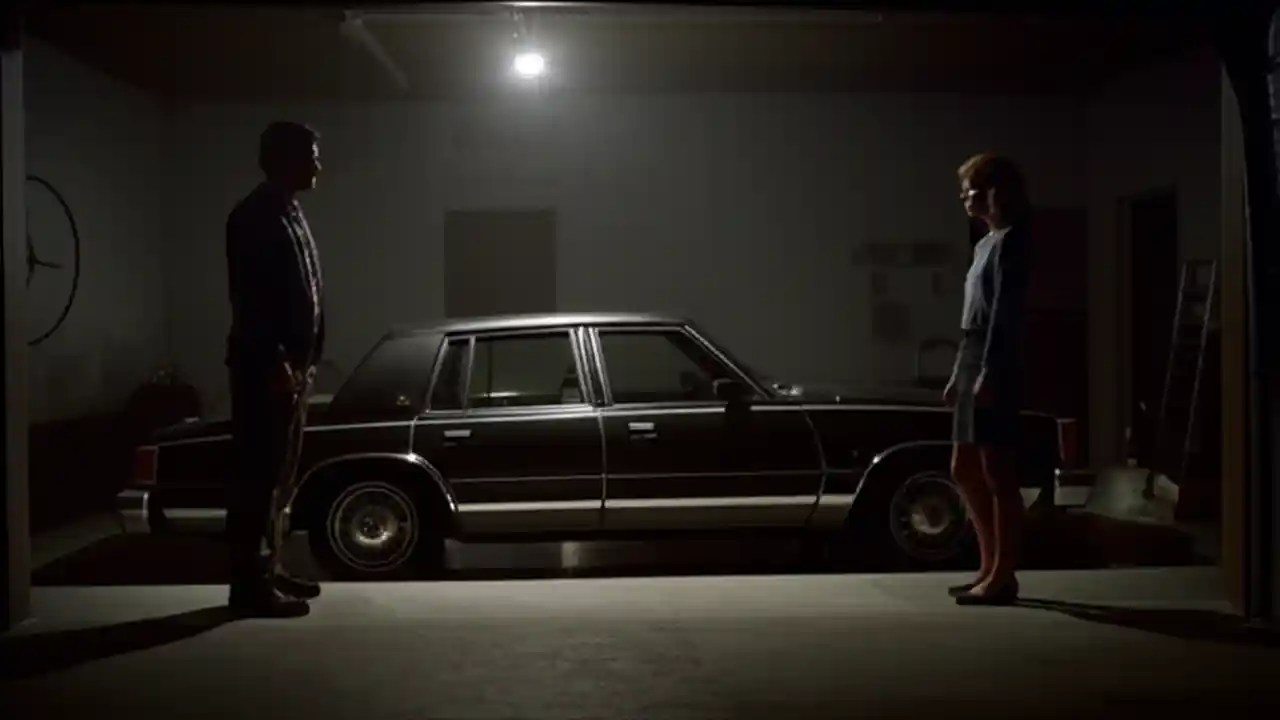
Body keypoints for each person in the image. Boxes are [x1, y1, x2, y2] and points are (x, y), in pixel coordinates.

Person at [224, 121, 326, 617]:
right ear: (285, 159)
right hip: (267, 371)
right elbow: (253, 302)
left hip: (291, 370)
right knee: (257, 479)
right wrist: (277, 362)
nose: (318, 164)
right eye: (311, 154)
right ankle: (249, 587)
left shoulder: (287, 211)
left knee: (278, 479)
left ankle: (268, 569)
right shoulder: (255, 217)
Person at [943, 152, 1031, 606]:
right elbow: (972, 319)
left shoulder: (1013, 242)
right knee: (963, 467)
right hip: (972, 352)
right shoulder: (983, 245)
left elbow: (1004, 315)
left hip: (995, 357)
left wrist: (989, 372)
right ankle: (988, 564)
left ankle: (1003, 574)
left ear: (996, 191)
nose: (964, 197)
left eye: (971, 189)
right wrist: (959, 372)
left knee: (997, 469)